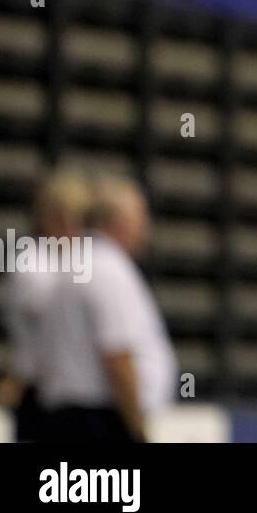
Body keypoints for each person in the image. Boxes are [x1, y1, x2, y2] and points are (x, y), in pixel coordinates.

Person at [33, 175, 178, 442]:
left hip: (70, 416)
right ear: (117, 221)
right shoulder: (108, 269)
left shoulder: (79, 262)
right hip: (98, 422)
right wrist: (137, 428)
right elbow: (118, 357)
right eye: (140, 215)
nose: (145, 226)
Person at [0, 168, 91, 441]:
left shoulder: (74, 261)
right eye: (68, 219)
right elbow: (45, 336)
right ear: (51, 219)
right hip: (41, 391)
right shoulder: (32, 265)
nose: (75, 230)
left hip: (66, 391)